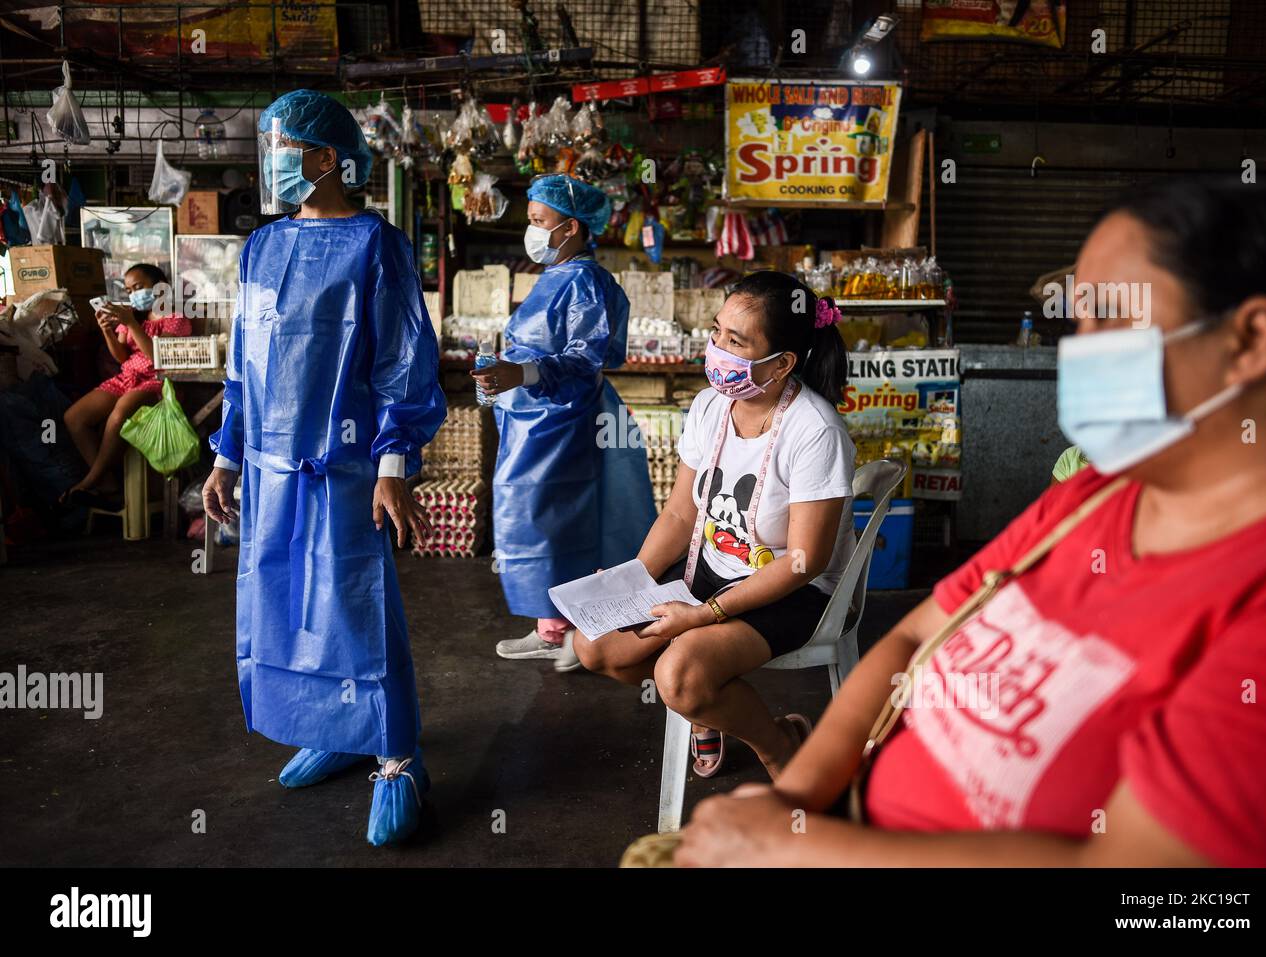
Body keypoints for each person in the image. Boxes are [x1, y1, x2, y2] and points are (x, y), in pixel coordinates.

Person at [672, 177, 1266, 867]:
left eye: (1110, 319)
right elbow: (915, 630)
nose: (1079, 351)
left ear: (1249, 339)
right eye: (1075, 323)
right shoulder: (1093, 496)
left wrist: (800, 848)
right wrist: (793, 800)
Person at [202, 89, 446, 847]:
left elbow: (404, 366)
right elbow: (246, 363)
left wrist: (393, 464)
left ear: (323, 158)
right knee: (281, 608)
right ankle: (335, 729)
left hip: (343, 468)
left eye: (280, 144)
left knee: (355, 606)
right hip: (273, 470)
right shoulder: (261, 248)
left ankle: (397, 756)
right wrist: (227, 451)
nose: (268, 158)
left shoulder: (378, 244)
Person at [573, 271, 856, 780]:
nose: (718, 349)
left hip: (795, 589)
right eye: (717, 332)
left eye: (736, 341)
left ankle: (780, 745)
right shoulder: (710, 407)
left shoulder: (816, 431)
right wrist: (631, 578)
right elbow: (682, 514)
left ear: (783, 362)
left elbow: (803, 561)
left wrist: (703, 615)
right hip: (713, 567)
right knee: (595, 645)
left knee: (679, 675)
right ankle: (708, 706)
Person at [474, 173, 657, 672]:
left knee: (562, 522)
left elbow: (585, 359)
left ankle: (579, 630)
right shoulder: (556, 276)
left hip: (566, 420)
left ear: (570, 226)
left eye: (538, 221)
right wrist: (505, 373)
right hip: (535, 419)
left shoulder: (585, 280)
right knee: (532, 522)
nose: (531, 231)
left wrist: (522, 371)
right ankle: (551, 626)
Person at [61, 263, 190, 507]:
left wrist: (131, 323)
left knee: (120, 413)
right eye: (129, 290)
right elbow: (121, 356)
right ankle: (108, 484)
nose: (133, 294)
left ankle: (89, 482)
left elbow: (158, 358)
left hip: (157, 381)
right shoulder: (131, 315)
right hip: (126, 378)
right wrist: (107, 331)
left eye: (139, 287)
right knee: (74, 418)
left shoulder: (176, 317)